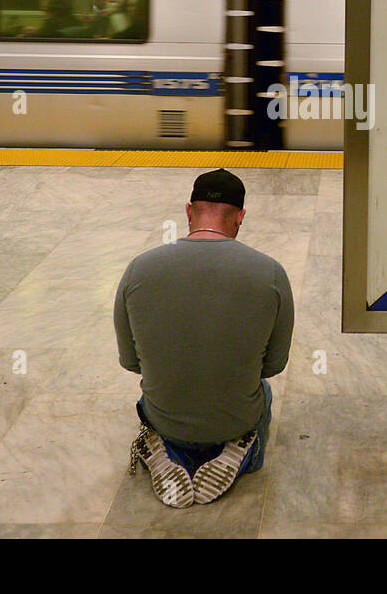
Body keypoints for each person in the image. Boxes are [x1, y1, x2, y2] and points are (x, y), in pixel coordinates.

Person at [115, 169, 293, 508]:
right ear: (240, 216)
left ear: (188, 212)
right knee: (263, 391)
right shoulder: (271, 273)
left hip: (165, 417)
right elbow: (274, 365)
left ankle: (162, 448)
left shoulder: (139, 268)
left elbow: (130, 361)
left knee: (152, 398)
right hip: (235, 418)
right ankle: (239, 450)